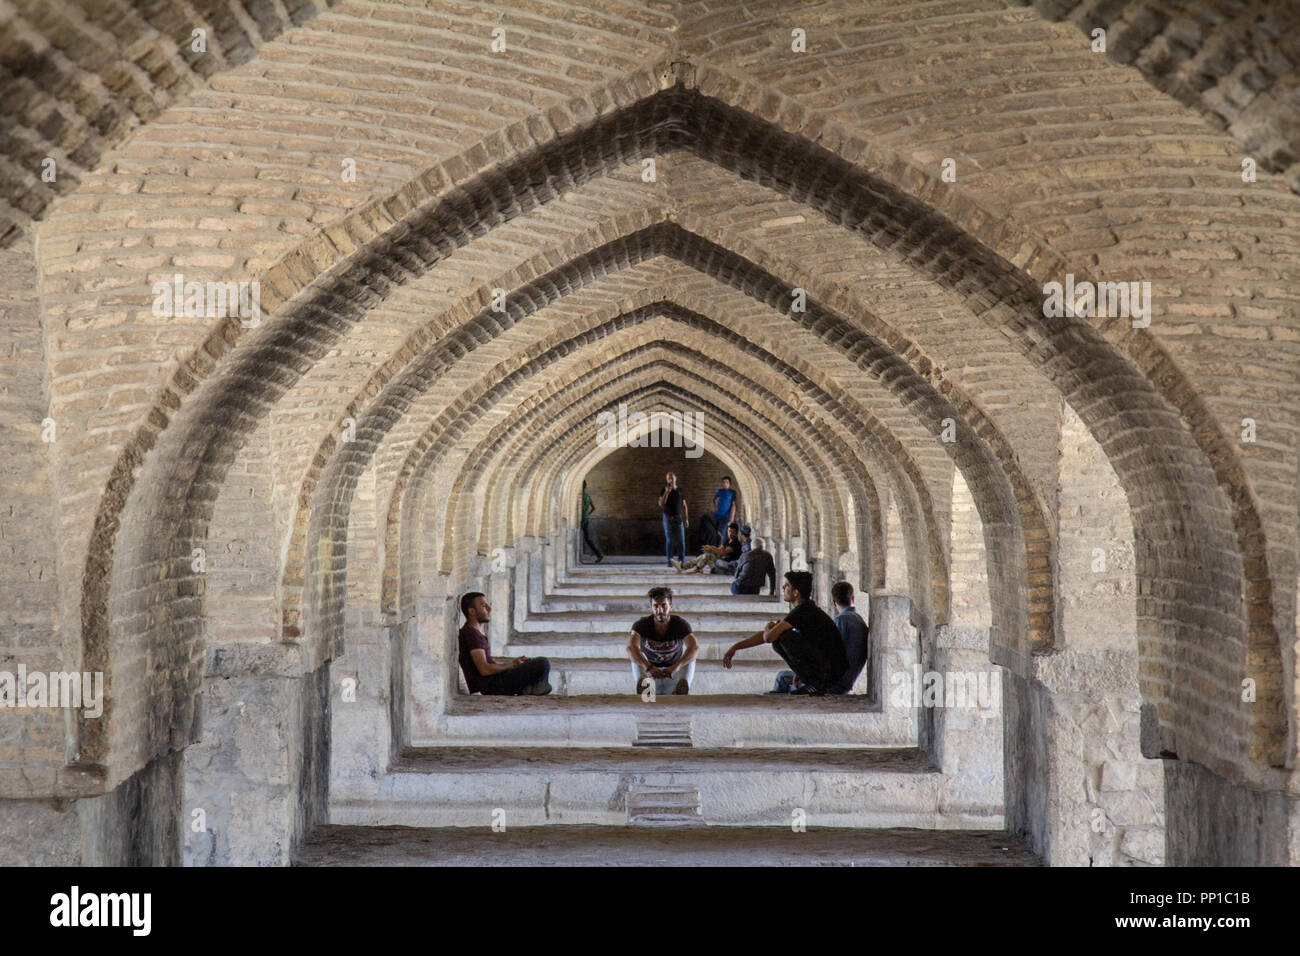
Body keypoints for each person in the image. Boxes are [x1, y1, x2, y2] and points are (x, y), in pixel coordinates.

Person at [722, 571, 847, 695]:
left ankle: (816, 684)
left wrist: (768, 628)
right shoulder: (804, 609)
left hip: (831, 675)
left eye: (787, 585)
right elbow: (765, 636)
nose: (783, 588)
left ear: (796, 592)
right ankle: (811, 681)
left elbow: (768, 637)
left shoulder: (803, 611)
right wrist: (736, 647)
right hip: (829, 670)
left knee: (783, 637)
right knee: (780, 637)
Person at [768, 580, 869, 694]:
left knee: (783, 678)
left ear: (833, 602)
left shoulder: (841, 620)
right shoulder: (858, 619)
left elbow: (829, 654)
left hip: (836, 683)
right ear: (853, 599)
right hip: (846, 680)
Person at [457, 592, 551, 695]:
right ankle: (534, 688)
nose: (489, 609)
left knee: (533, 663)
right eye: (484, 606)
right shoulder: (471, 634)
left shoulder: (473, 633)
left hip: (494, 682)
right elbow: (484, 669)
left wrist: (515, 664)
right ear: (472, 611)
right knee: (543, 663)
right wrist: (512, 664)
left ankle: (531, 688)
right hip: (492, 686)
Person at [627, 586, 699, 696]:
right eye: (656, 606)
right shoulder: (641, 624)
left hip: (673, 672)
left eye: (664, 606)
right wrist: (649, 667)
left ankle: (683, 687)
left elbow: (694, 647)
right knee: (635, 652)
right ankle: (644, 687)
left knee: (691, 655)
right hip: (650, 672)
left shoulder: (680, 624)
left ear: (670, 606)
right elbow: (630, 648)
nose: (660, 610)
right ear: (651, 607)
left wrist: (676, 667)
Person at [672, 522, 742, 574]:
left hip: (726, 568)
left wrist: (711, 547)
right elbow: (720, 549)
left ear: (736, 533)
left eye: (732, 532)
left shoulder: (736, 543)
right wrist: (710, 548)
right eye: (729, 531)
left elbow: (722, 552)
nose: (730, 533)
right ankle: (689, 567)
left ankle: (688, 567)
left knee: (708, 555)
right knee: (708, 554)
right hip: (719, 563)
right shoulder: (728, 540)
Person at [659, 472, 688, 567]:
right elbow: (661, 504)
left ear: (676, 478)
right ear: (667, 480)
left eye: (672, 477)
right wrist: (667, 493)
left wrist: (686, 519)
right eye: (668, 478)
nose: (670, 479)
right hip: (667, 518)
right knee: (670, 540)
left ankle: (681, 561)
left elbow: (684, 505)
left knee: (681, 540)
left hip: (678, 518)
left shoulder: (680, 490)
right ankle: (670, 561)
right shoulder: (664, 490)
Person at [580, 480, 603, 563]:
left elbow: (581, 508)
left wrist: (582, 515)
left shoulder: (580, 496)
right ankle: (599, 554)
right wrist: (587, 514)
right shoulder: (587, 496)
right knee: (587, 538)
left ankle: (598, 554)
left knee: (582, 538)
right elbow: (593, 508)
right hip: (586, 518)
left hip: (581, 519)